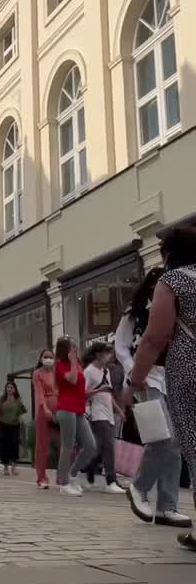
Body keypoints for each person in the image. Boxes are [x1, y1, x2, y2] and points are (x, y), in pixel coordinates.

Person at [132, 221, 196, 547]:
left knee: (192, 448)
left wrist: (135, 379)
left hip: (187, 372)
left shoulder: (172, 281)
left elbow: (154, 338)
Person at [115, 267, 189, 528]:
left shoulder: (178, 308)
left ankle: (168, 506)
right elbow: (121, 345)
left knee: (176, 443)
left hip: (174, 377)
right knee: (162, 437)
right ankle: (139, 486)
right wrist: (133, 371)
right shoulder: (135, 313)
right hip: (147, 378)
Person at [55, 336, 97, 497]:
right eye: (72, 346)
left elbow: (78, 387)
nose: (75, 349)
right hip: (66, 409)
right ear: (66, 349)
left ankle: (72, 474)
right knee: (68, 446)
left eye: (75, 346)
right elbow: (72, 380)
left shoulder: (78, 364)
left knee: (90, 445)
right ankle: (63, 483)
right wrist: (73, 361)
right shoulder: (60, 365)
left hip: (79, 409)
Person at [83, 343, 125, 494]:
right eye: (106, 353)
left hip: (109, 414)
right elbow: (83, 394)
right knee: (109, 447)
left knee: (101, 448)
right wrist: (98, 390)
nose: (109, 356)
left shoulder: (105, 371)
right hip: (97, 414)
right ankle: (111, 481)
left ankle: (89, 468)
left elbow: (108, 393)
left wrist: (119, 410)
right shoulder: (89, 372)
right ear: (97, 354)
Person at [32, 349, 58, 489]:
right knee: (42, 446)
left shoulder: (56, 374)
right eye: (45, 357)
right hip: (44, 411)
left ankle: (63, 477)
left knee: (63, 444)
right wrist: (45, 408)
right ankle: (41, 478)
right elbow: (39, 393)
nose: (48, 359)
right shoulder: (37, 374)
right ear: (41, 358)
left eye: (50, 357)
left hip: (59, 410)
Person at [0, 380, 26, 476]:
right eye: (8, 387)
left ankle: (14, 467)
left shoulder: (18, 399)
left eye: (11, 387)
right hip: (3, 425)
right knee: (4, 446)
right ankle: (5, 467)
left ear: (15, 389)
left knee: (14, 446)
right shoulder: (2, 399)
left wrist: (20, 418)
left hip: (14, 425)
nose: (9, 389)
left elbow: (22, 410)